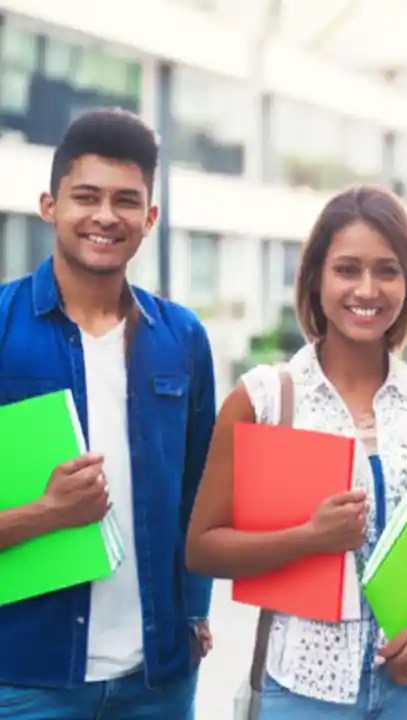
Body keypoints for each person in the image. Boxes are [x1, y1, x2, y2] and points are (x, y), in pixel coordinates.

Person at [185, 186, 407, 718]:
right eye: (347, 269)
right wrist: (309, 538)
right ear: (316, 278)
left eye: (387, 271)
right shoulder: (266, 399)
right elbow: (202, 549)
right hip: (306, 692)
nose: (367, 289)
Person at [0, 108, 215, 718]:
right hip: (25, 677)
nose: (104, 216)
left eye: (126, 201)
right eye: (86, 196)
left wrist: (195, 610)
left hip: (157, 680)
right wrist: (47, 512)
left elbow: (199, 490)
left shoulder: (182, 338)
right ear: (50, 205)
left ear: (150, 217)